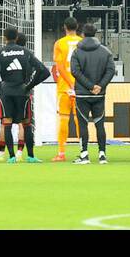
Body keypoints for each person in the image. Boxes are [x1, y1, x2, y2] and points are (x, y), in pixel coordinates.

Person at [0, 27, 50, 163]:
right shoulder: (25, 52)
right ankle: (31, 156)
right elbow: (44, 71)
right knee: (26, 123)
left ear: (4, 37)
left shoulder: (0, 52)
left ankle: (11, 156)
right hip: (22, 92)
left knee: (7, 122)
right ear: (16, 37)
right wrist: (30, 86)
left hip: (6, 91)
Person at [69, 23, 115, 164]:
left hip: (83, 94)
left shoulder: (77, 52)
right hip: (98, 94)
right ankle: (102, 154)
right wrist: (99, 86)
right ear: (96, 34)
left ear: (83, 34)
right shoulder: (106, 51)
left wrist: (89, 86)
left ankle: (84, 154)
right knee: (99, 124)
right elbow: (111, 70)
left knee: (83, 124)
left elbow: (75, 71)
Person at [51, 18, 83, 161]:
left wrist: (69, 83)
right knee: (79, 120)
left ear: (64, 27)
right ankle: (83, 151)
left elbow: (59, 67)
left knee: (63, 119)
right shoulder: (83, 42)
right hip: (81, 86)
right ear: (77, 27)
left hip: (65, 87)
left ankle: (61, 153)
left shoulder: (59, 43)